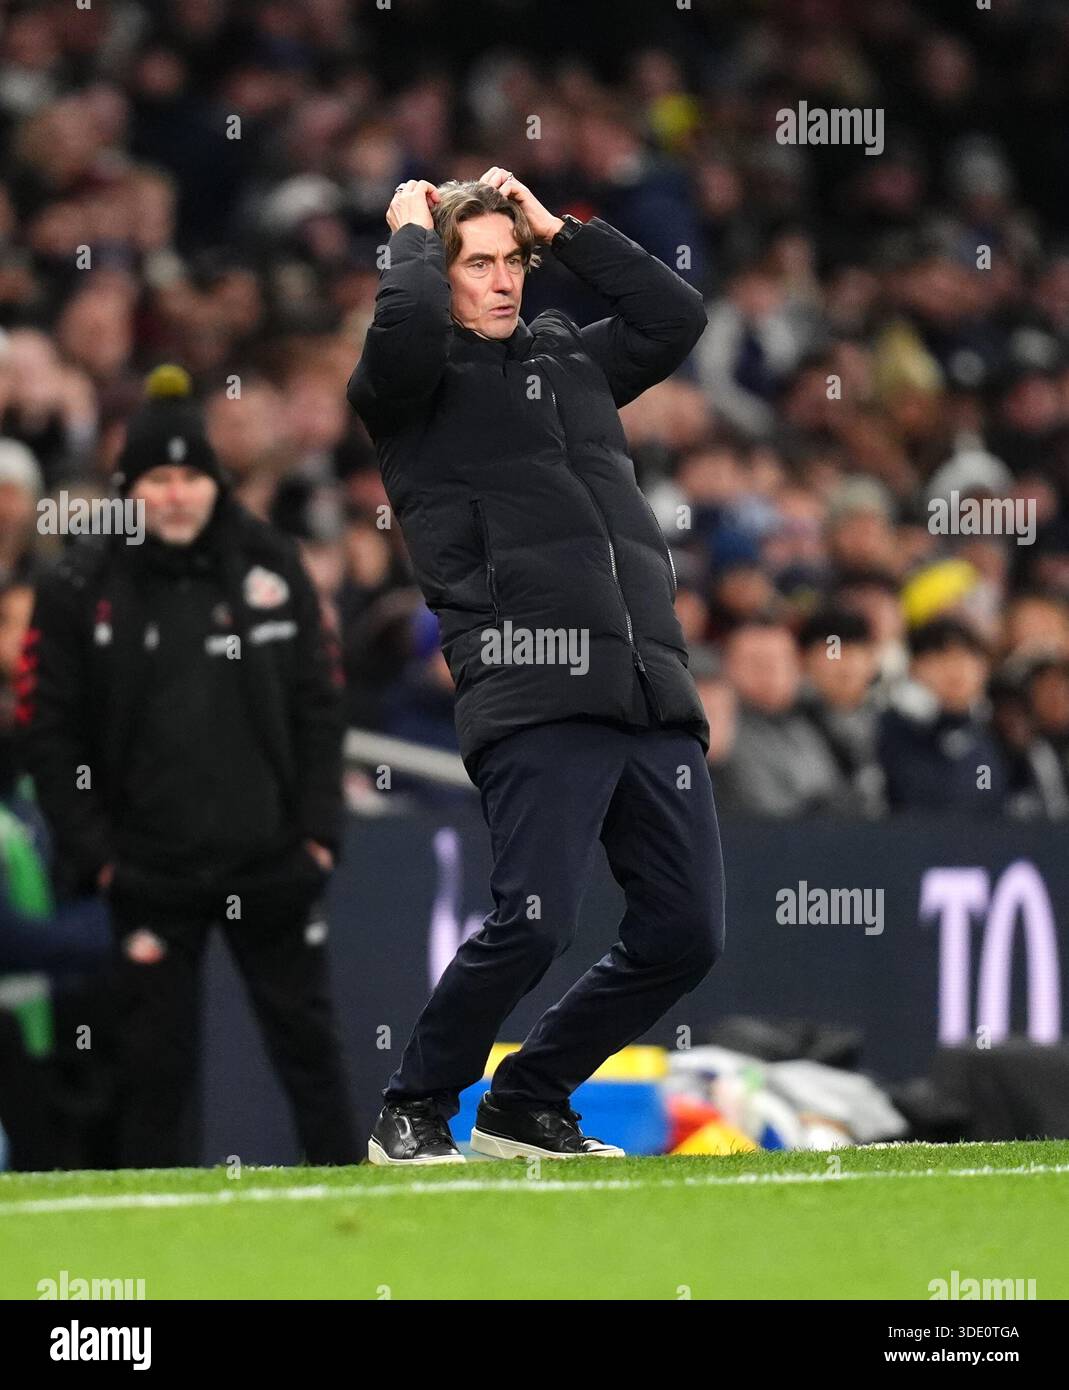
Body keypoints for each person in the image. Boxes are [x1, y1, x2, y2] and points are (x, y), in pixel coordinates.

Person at [348, 169, 724, 1164]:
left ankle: (526, 1103)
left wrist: (562, 229)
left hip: (646, 686)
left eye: (512, 261)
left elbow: (674, 313)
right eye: (480, 263)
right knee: (534, 920)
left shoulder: (569, 361)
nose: (504, 279)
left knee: (685, 931)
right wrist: (414, 235)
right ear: (440, 271)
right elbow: (405, 321)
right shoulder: (409, 386)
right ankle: (414, 1106)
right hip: (532, 685)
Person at [18, 365, 361, 1167]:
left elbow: (321, 704)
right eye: (156, 479)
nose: (175, 496)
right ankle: (152, 1237)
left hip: (272, 858)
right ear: (128, 490)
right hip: (146, 870)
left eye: (189, 477)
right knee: (152, 1071)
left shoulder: (272, 566)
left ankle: (359, 1208)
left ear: (214, 482)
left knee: (310, 1052)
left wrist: (318, 832)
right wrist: (97, 855)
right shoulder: (80, 585)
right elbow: (47, 732)